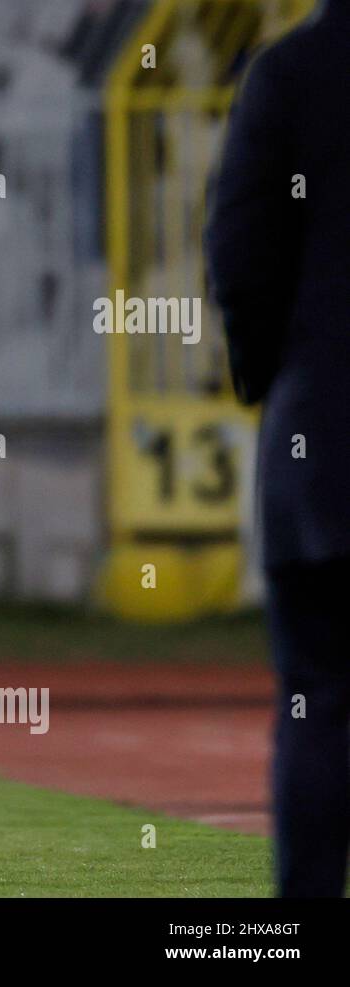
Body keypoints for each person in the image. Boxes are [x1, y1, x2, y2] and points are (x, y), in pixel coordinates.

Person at [205, 0, 350, 896]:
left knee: (320, 703)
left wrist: (279, 380)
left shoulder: (291, 71)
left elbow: (240, 250)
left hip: (325, 444)